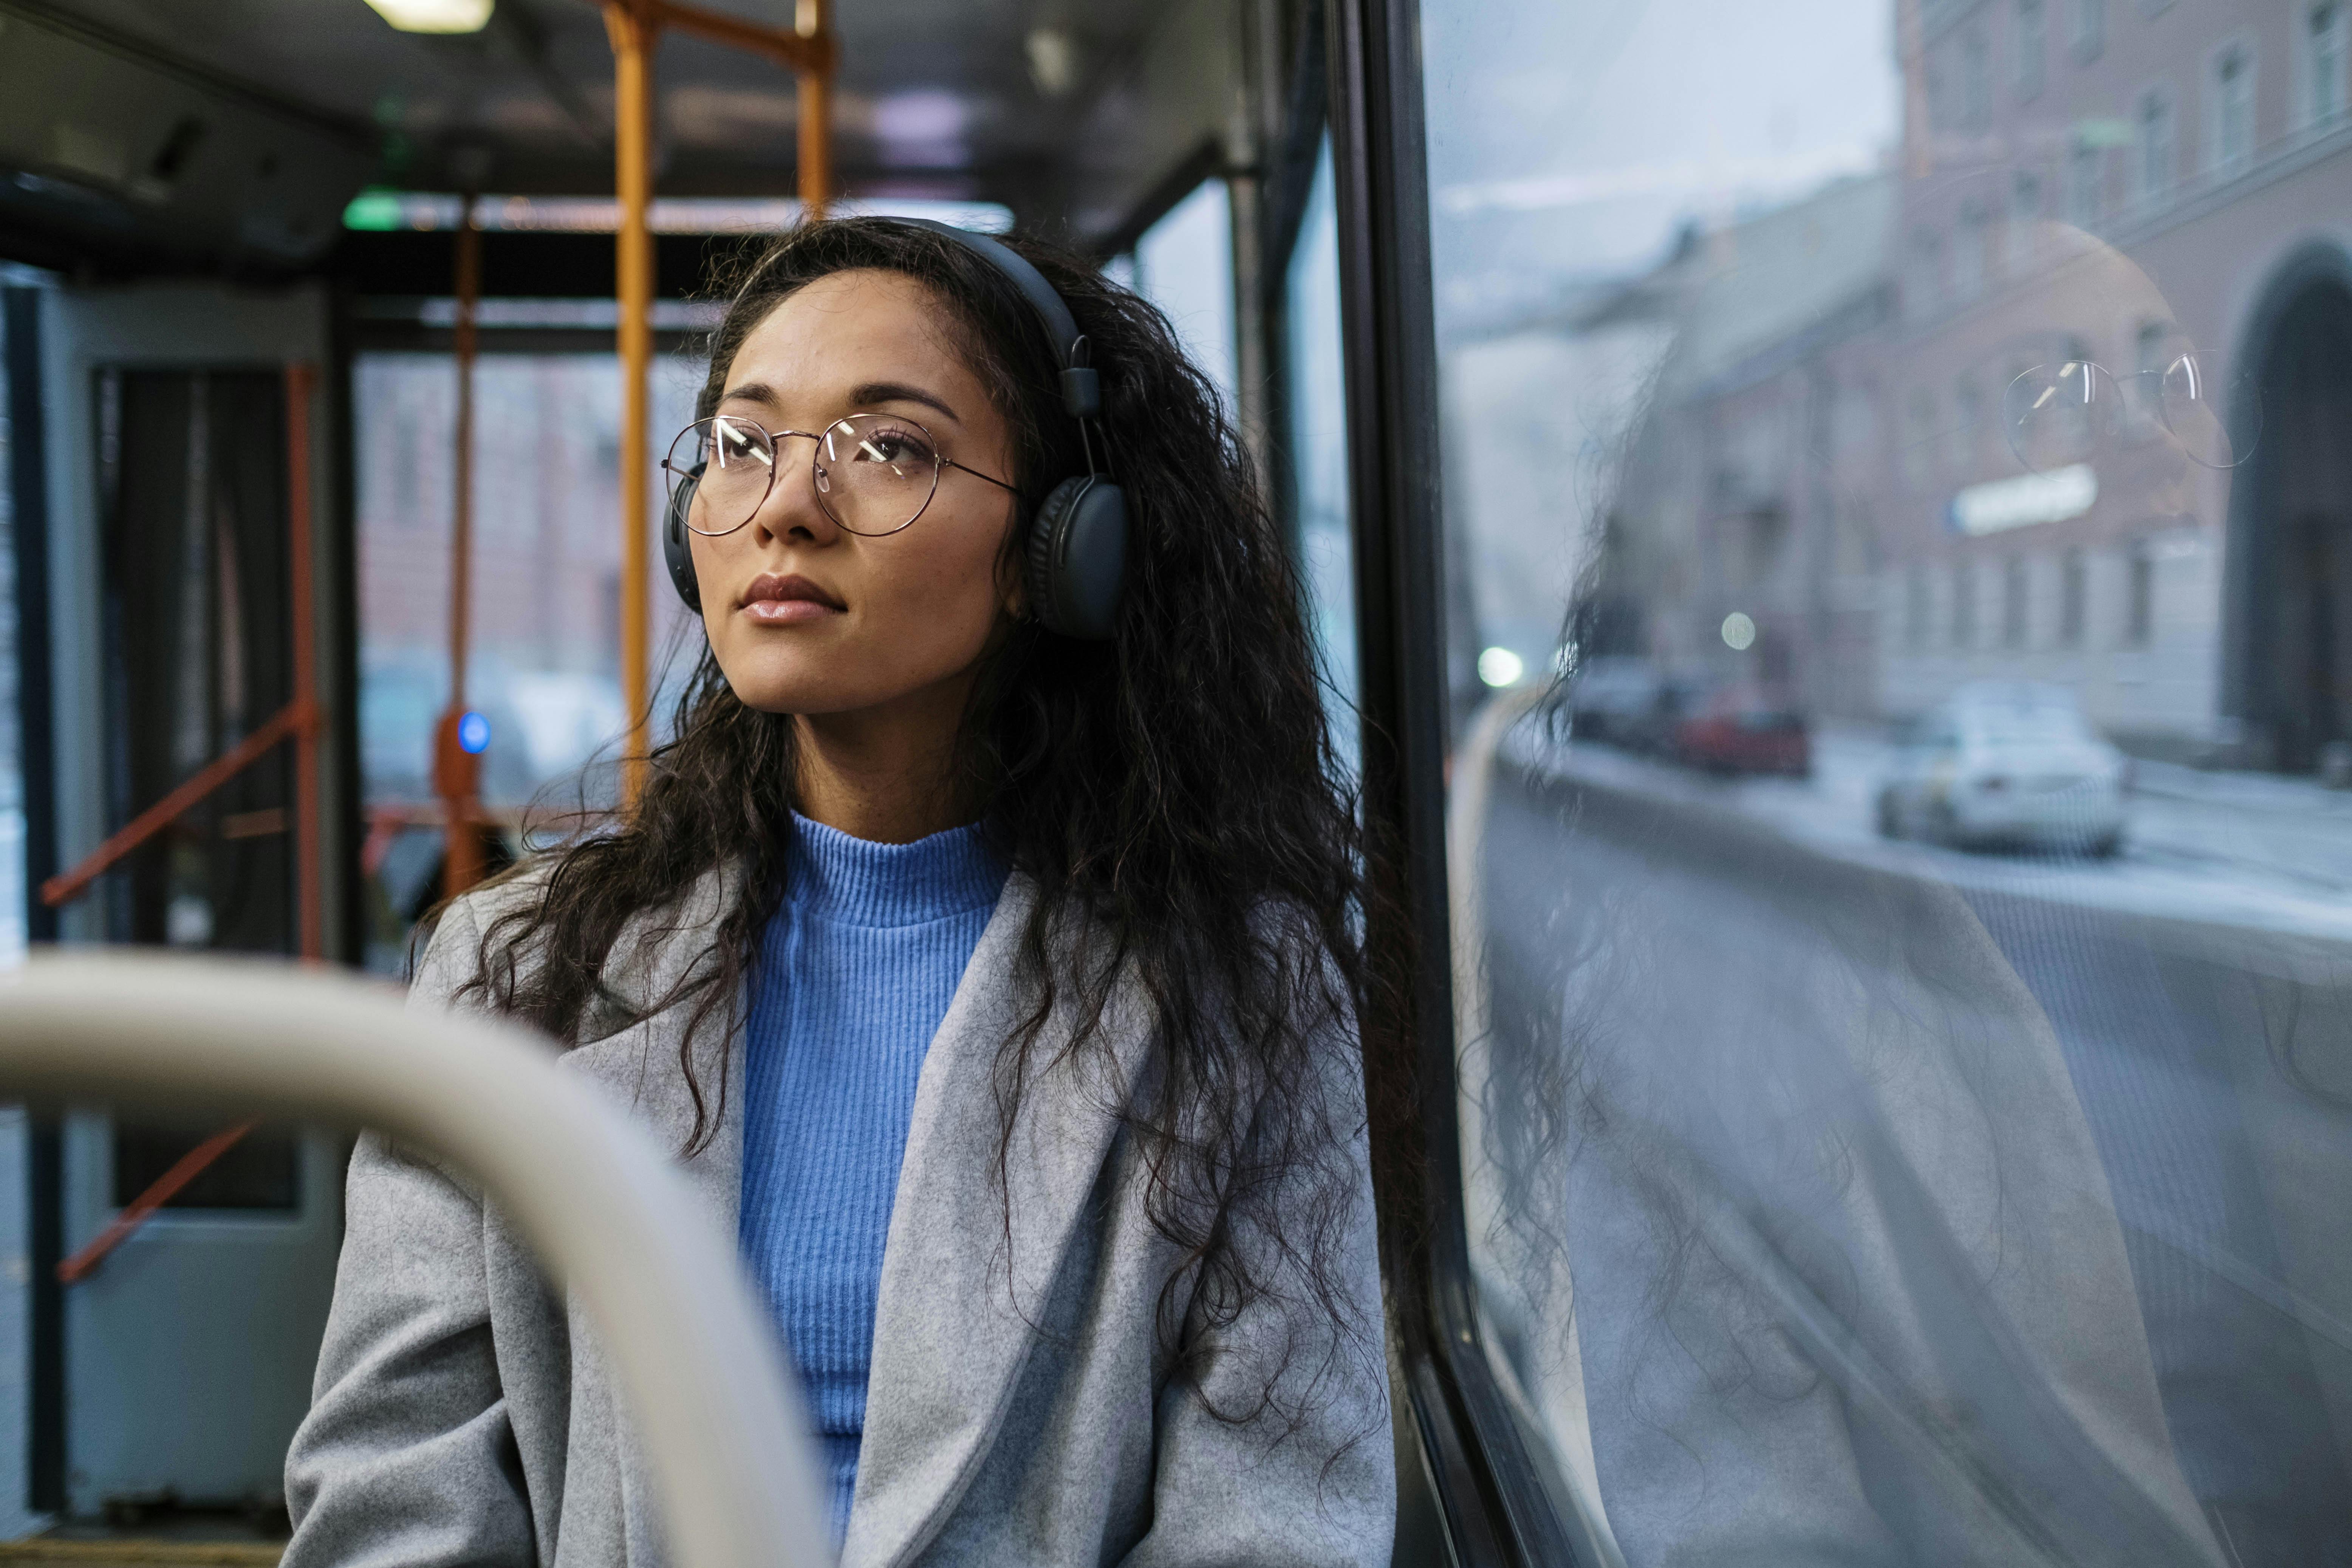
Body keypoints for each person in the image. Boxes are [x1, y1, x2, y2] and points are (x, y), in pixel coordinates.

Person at [282, 217, 1396, 1566]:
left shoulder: (1241, 996)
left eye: (891, 449)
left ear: (1066, 543)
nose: (787, 506)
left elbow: (1276, 1528)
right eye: (745, 444)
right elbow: (391, 1503)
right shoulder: (517, 969)